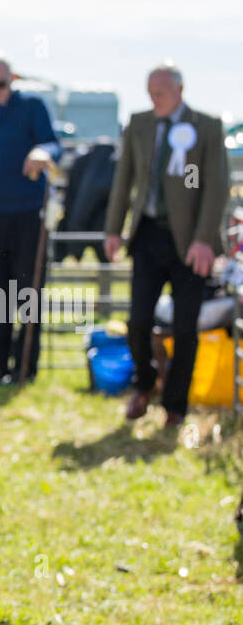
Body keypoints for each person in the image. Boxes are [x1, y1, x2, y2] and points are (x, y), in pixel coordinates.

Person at [104, 62, 230, 428]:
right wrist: (114, 230)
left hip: (189, 242)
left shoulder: (205, 127)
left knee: (185, 328)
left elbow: (214, 186)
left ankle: (176, 406)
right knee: (138, 321)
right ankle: (144, 384)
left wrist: (204, 239)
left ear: (179, 89)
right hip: (146, 236)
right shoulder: (139, 124)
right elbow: (124, 177)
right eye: (149, 93)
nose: (153, 99)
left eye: (159, 93)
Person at [0, 55, 61, 385]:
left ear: (13, 79)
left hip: (30, 214)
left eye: (0, 84)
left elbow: (53, 143)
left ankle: (23, 369)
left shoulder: (32, 106)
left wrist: (42, 152)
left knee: (27, 294)